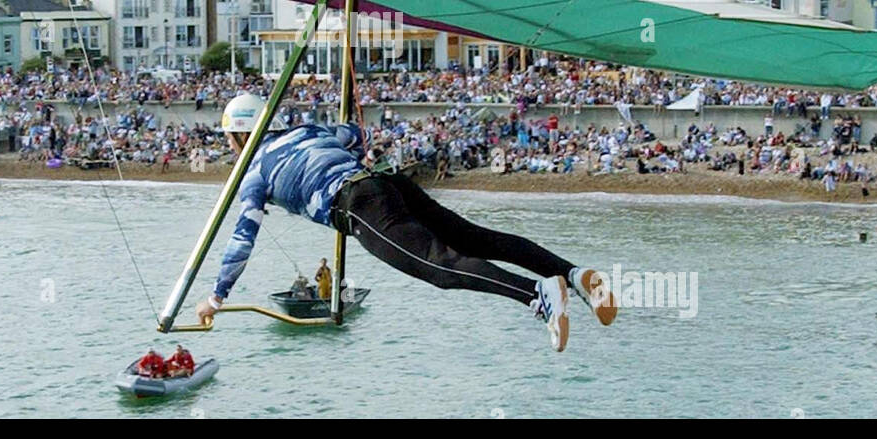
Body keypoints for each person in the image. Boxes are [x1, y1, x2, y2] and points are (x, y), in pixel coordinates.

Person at [196, 94, 618, 353]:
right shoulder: (305, 131)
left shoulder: (252, 173)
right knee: (477, 239)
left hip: (359, 206)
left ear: (237, 138)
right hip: (386, 182)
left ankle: (537, 294)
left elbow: (241, 240)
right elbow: (350, 135)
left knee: (440, 266)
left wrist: (215, 298)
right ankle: (573, 275)